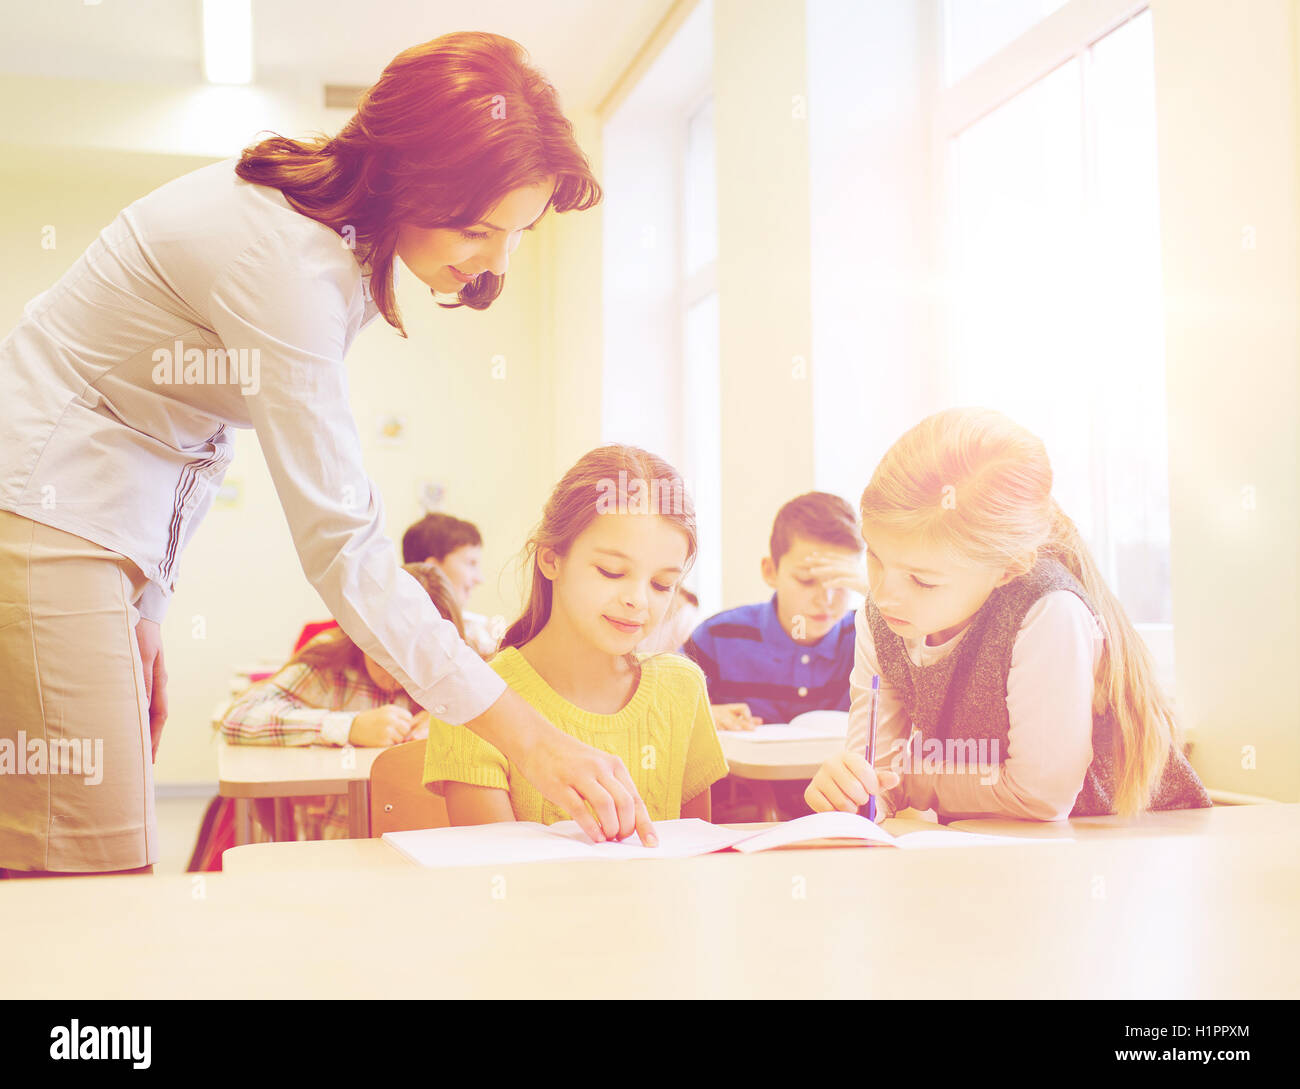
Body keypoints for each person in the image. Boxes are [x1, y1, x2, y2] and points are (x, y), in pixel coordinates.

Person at [0, 31, 654, 878]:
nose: (495, 263)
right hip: (48, 504)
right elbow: (343, 542)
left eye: (517, 233)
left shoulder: (339, 249)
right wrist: (531, 740)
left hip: (92, 520)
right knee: (86, 864)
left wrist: (149, 604)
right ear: (411, 180)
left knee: (89, 852)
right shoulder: (286, 262)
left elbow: (190, 432)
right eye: (479, 229)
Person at [805, 407, 1212, 822]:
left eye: (923, 581)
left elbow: (1040, 796)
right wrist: (855, 794)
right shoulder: (883, 619)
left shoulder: (1048, 612)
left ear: (1009, 568)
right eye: (874, 556)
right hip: (999, 854)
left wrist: (912, 782)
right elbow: (878, 779)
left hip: (1125, 844)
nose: (883, 595)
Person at [423, 446, 728, 828]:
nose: (637, 600)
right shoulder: (472, 700)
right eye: (612, 571)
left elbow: (693, 854)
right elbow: (495, 878)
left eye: (662, 584)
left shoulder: (681, 688)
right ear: (551, 560)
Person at [218, 564, 461, 840]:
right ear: (363, 633)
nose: (396, 669)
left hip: (430, 850)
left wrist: (450, 724)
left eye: (412, 657)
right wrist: (348, 727)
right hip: (341, 848)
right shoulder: (331, 667)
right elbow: (237, 719)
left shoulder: (456, 676)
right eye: (384, 650)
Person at [683, 492, 863, 819]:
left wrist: (875, 590)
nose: (826, 599)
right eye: (807, 581)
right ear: (770, 570)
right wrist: (704, 715)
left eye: (842, 582)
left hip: (844, 825)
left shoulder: (869, 640)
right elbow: (661, 716)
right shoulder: (718, 637)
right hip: (739, 825)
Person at [402, 512, 496, 656]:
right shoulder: (406, 636)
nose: (479, 579)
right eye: (471, 563)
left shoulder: (477, 632)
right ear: (432, 570)